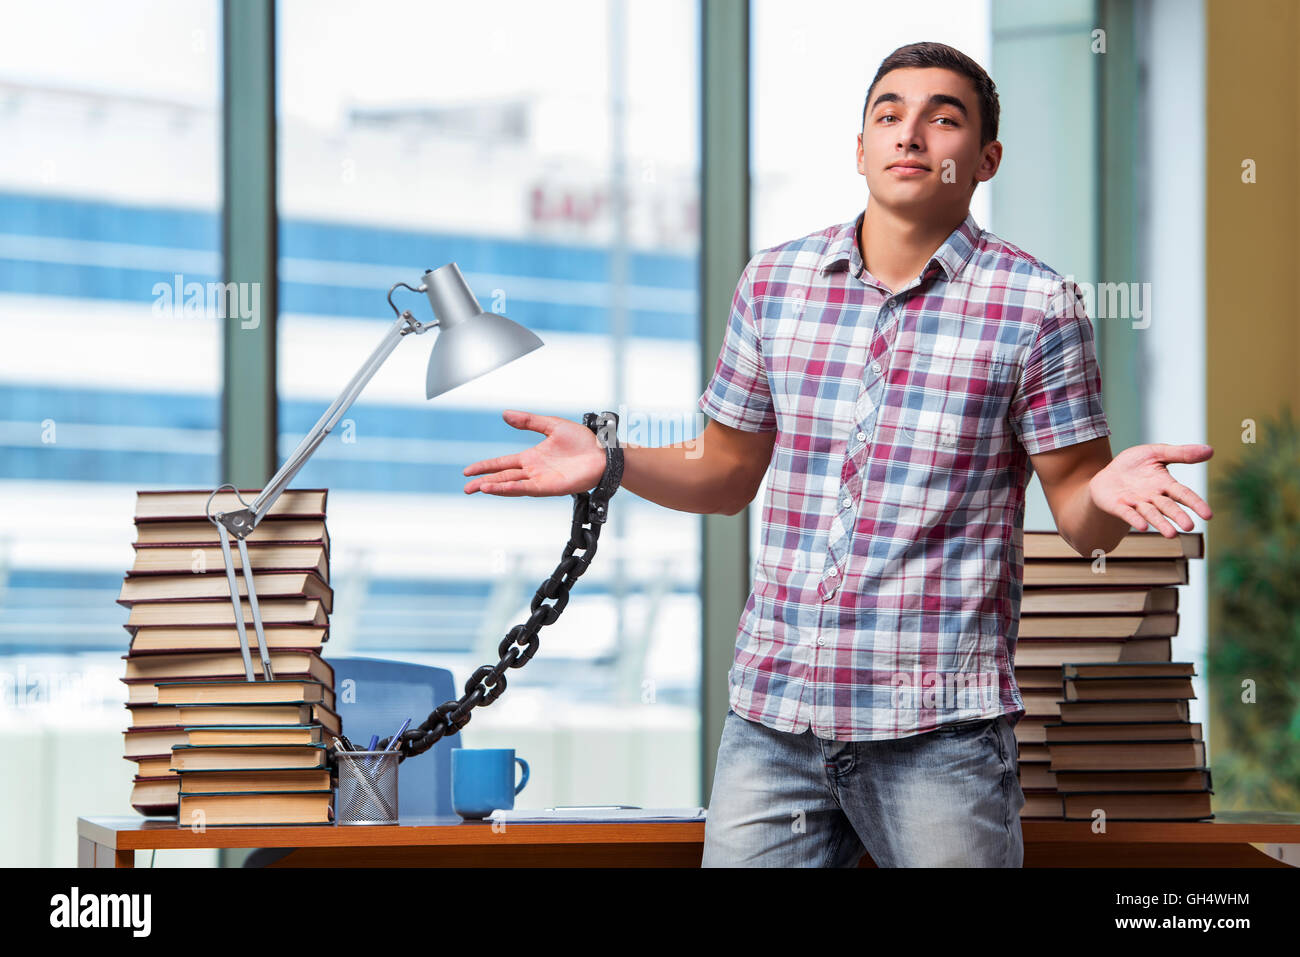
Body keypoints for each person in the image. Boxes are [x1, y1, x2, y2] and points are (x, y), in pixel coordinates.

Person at [460, 40, 1213, 867]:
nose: (910, 135)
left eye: (943, 118)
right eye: (888, 115)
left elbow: (1081, 519)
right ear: (860, 150)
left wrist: (1110, 490)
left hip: (941, 737)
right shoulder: (774, 283)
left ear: (986, 158)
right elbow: (725, 473)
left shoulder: (1038, 305)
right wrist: (615, 460)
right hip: (773, 725)